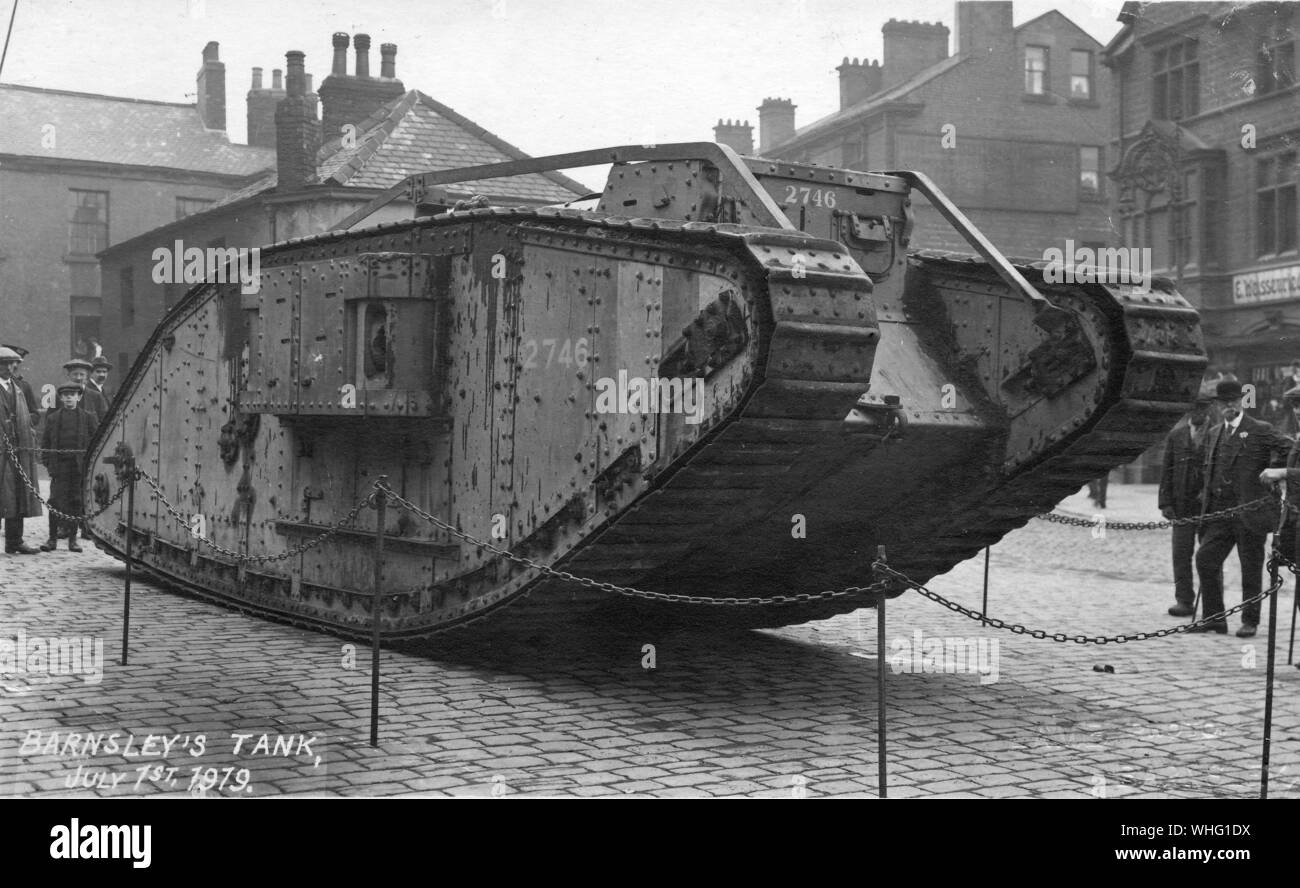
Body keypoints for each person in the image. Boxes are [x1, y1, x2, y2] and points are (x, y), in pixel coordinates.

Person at [1191, 379, 1292, 636]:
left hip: (1250, 514)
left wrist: (1275, 473)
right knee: (1205, 559)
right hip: (1220, 515)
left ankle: (1250, 620)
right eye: (1223, 403)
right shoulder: (1214, 432)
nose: (1228, 406)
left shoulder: (1260, 429)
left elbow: (1291, 449)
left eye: (1233, 401)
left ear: (1242, 401)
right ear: (1217, 405)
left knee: (1250, 569)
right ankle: (1214, 618)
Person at [1159, 390, 1212, 617]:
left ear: (1208, 409)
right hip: (1181, 506)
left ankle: (1211, 605)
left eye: (1201, 408)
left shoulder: (1217, 433)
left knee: (1209, 557)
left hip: (1208, 507)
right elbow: (1167, 471)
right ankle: (1184, 600)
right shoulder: (1177, 435)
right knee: (1181, 554)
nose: (1196, 413)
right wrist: (1165, 502)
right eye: (1193, 408)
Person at [38, 383, 96, 552]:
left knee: (76, 502)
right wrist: (49, 464)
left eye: (73, 394)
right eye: (66, 395)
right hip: (60, 466)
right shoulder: (53, 418)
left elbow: (95, 442)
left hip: (78, 468)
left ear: (79, 397)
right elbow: (46, 443)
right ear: (61, 398)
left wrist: (88, 465)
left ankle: (73, 540)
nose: (69, 397)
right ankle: (52, 539)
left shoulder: (88, 418)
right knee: (55, 501)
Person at [0, 346, 43, 554]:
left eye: (11, 364)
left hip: (18, 452)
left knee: (17, 495)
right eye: (3, 364)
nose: (8, 368)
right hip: (0, 450)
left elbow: (32, 415)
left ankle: (14, 541)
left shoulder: (19, 389)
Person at [64, 358, 107, 427]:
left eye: (82, 374)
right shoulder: (59, 396)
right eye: (75, 374)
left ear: (87, 376)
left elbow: (105, 422)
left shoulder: (96, 396)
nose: (78, 378)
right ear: (68, 375)